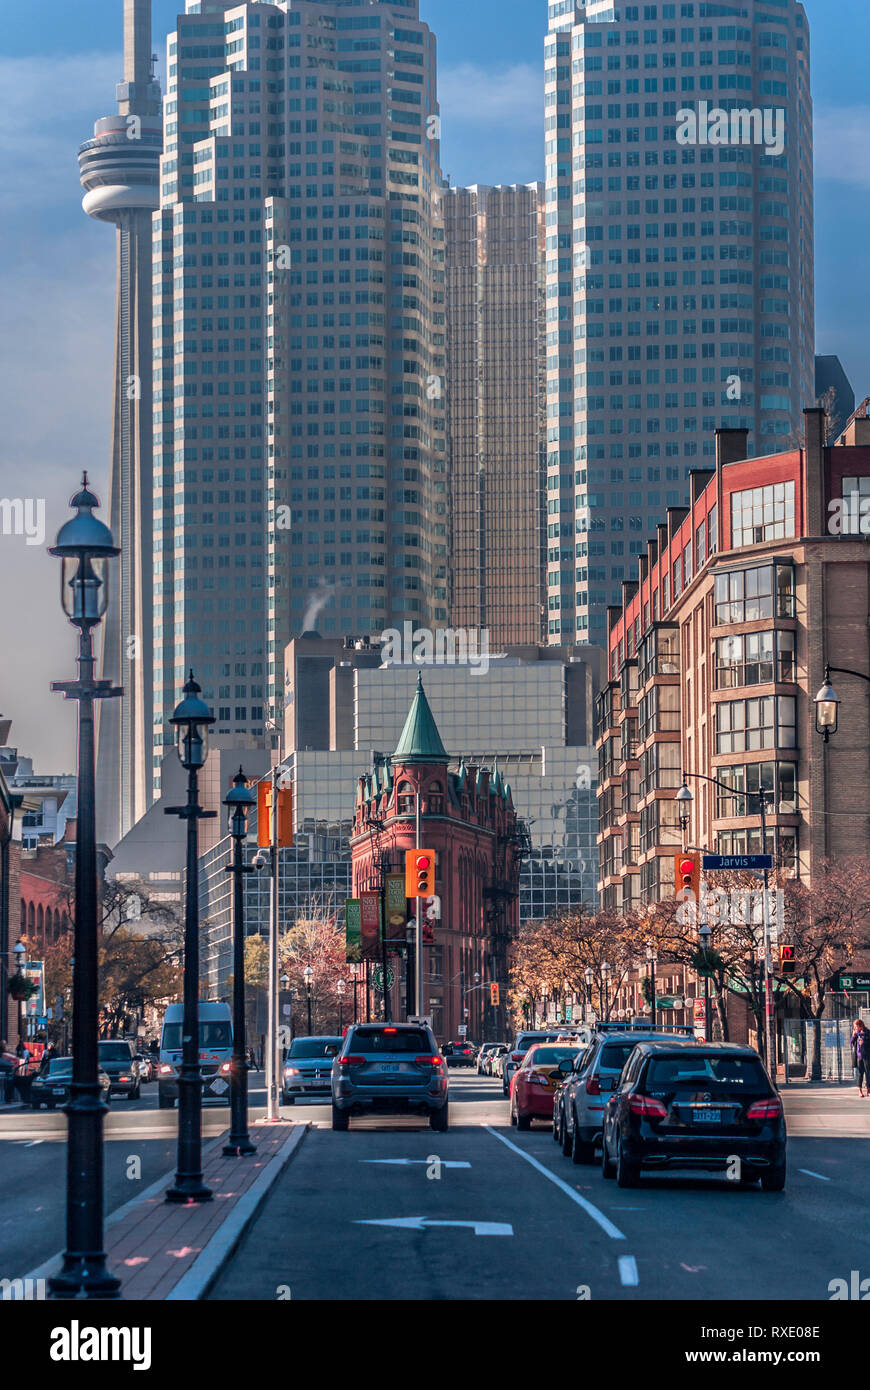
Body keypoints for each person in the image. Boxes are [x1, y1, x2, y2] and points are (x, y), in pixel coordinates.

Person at [850, 1019, 869, 1097]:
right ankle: (860, 1090)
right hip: (859, 1056)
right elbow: (851, 1043)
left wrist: (865, 1041)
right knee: (860, 1073)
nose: (855, 1028)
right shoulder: (856, 1034)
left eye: (856, 1026)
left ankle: (868, 1090)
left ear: (860, 1026)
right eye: (854, 1027)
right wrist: (853, 1036)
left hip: (867, 1055)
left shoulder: (867, 1032)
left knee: (868, 1073)